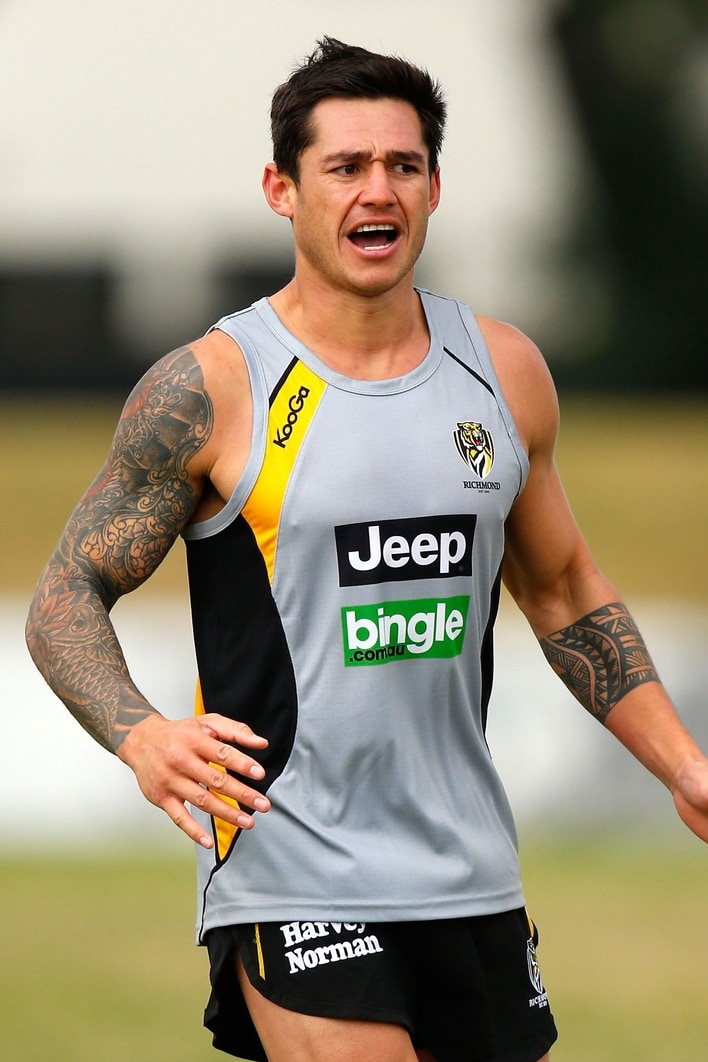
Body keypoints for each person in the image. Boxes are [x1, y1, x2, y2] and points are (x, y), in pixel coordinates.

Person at [25, 36, 708, 1062]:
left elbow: (564, 591)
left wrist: (684, 765)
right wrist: (143, 737)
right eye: (345, 166)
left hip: (471, 872)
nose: (376, 190)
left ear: (434, 188)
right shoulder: (212, 387)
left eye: (403, 165)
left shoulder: (504, 371)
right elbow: (65, 592)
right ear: (282, 190)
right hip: (290, 869)